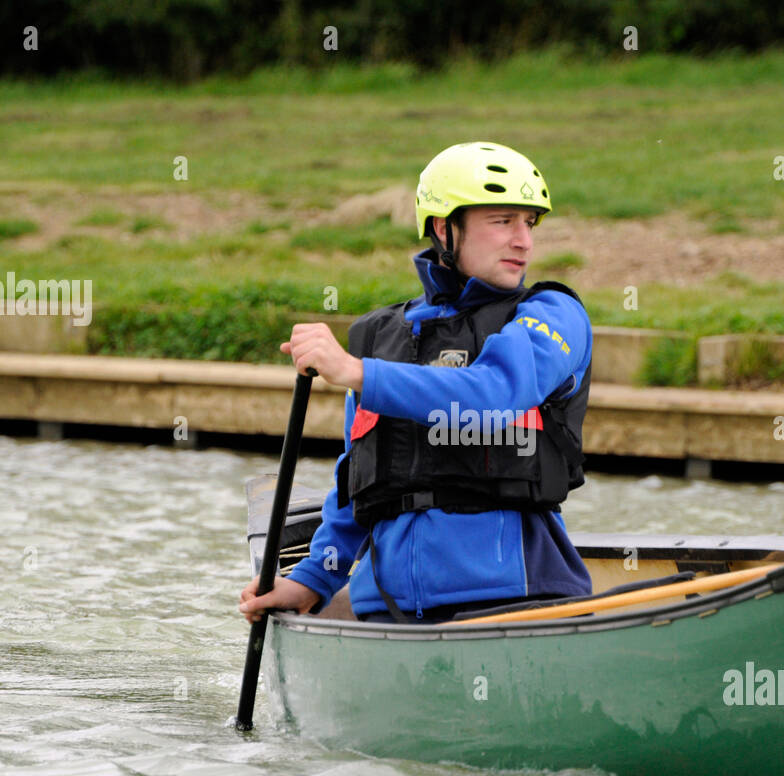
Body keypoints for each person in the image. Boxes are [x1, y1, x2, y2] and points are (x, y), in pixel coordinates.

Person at [239, 141, 593, 624]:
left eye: (529, 222)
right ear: (446, 229)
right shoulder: (379, 336)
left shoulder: (554, 315)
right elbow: (359, 481)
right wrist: (313, 579)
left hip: (518, 601)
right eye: (502, 221)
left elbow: (494, 396)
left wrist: (359, 373)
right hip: (388, 608)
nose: (523, 241)